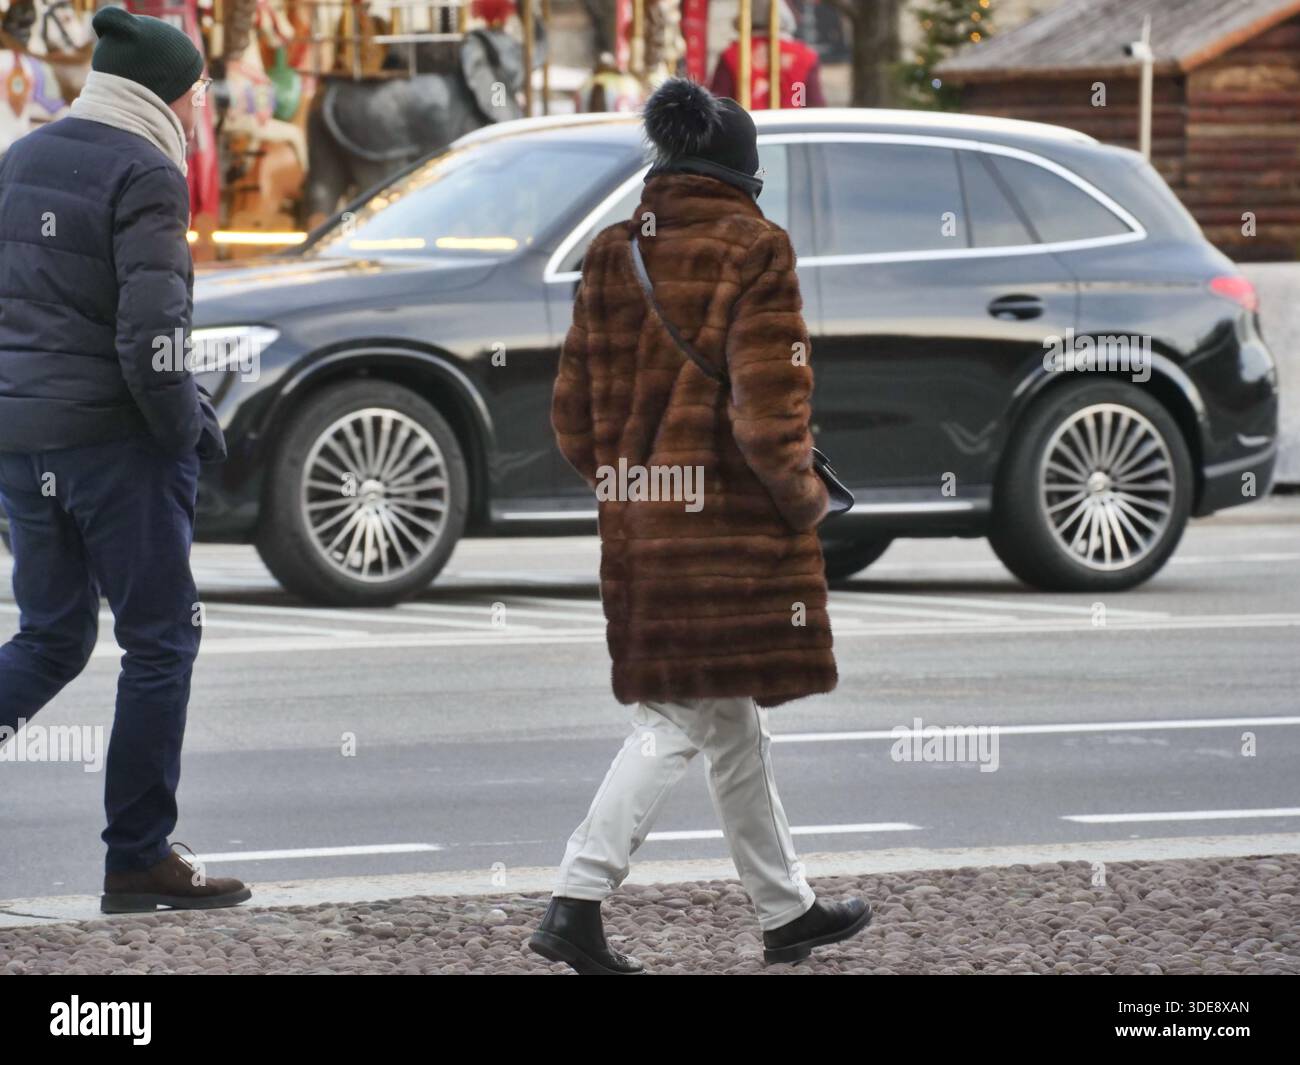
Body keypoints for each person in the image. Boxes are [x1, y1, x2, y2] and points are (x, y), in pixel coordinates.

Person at [530, 78, 869, 974]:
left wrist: (634, 482)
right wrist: (804, 500)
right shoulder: (757, 250)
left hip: (643, 527)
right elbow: (768, 419)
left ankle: (786, 909)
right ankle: (575, 899)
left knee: (730, 726)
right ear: (740, 178)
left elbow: (571, 418)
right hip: (725, 538)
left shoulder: (611, 253)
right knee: (677, 716)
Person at [0, 6, 248, 913]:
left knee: (52, 636)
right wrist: (183, 430)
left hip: (24, 440)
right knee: (161, 638)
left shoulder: (23, 157)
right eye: (195, 93)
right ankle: (138, 856)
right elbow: (155, 338)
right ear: (166, 93)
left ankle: (141, 853)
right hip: (113, 445)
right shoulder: (147, 169)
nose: (197, 110)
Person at [709, 0, 826, 109]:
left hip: (751, 127)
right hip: (794, 128)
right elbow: (814, 106)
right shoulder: (805, 56)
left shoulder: (732, 54)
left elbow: (720, 106)